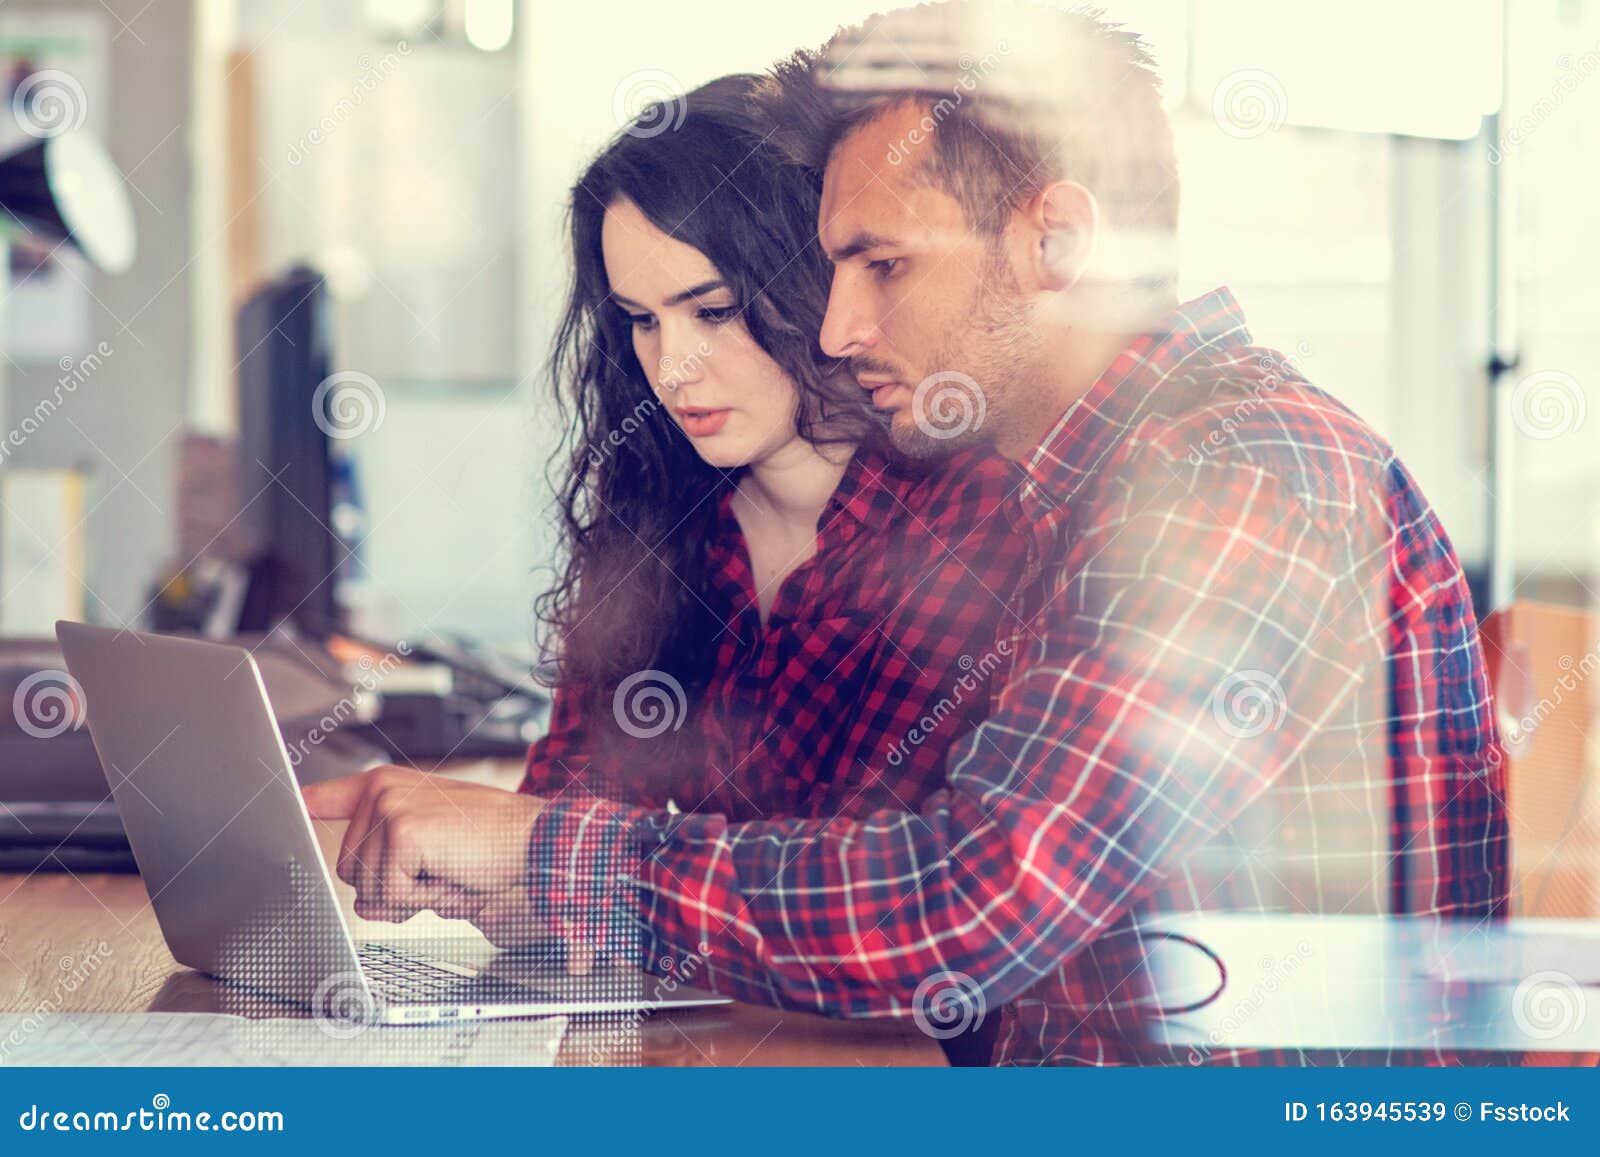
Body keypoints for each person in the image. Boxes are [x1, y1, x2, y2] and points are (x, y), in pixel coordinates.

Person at [307, 4, 1509, 1067]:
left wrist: (549, 852)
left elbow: (966, 904)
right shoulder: (1080, 485)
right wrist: (516, 865)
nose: (835, 329)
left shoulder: (1238, 473)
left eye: (880, 265)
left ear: (1055, 239)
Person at [302, 71, 1027, 976]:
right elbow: (565, 827)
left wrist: (548, 854)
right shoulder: (658, 520)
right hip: (740, 1030)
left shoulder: (971, 514)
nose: (672, 367)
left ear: (818, 284)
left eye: (712, 312)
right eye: (641, 321)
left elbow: (884, 902)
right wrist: (480, 871)